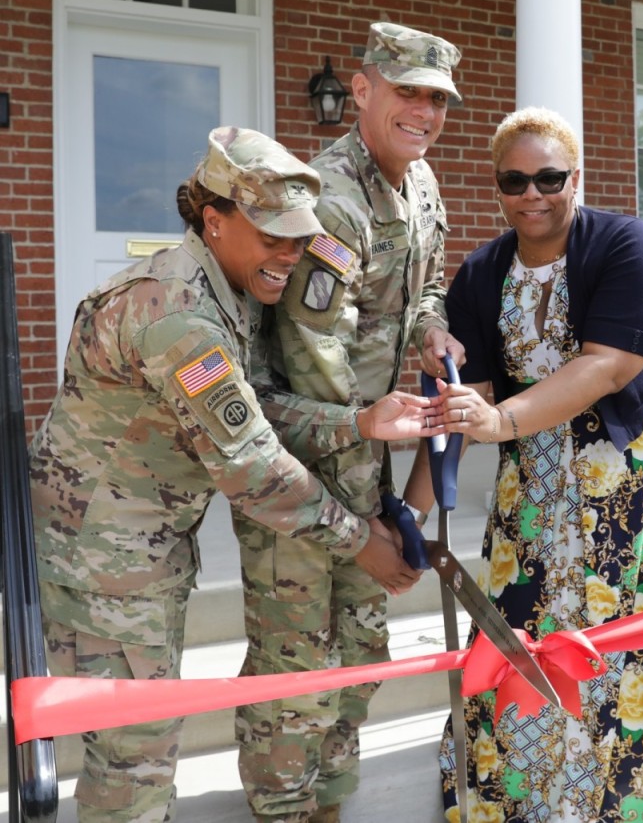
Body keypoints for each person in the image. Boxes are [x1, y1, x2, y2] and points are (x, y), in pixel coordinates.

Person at [27, 126, 443, 823]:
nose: (291, 254)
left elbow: (254, 408)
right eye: (271, 236)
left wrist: (359, 423)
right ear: (213, 220)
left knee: (143, 745)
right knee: (135, 755)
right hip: (104, 551)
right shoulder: (180, 316)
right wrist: (360, 538)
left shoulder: (228, 290)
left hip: (143, 538)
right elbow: (253, 469)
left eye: (298, 237)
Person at [432, 106, 643, 822]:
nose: (531, 194)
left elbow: (608, 366)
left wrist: (499, 418)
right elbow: (472, 391)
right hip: (533, 478)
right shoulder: (480, 271)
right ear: (497, 188)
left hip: (627, 474)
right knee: (521, 619)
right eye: (514, 180)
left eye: (548, 177)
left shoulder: (626, 243)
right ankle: (527, 791)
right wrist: (453, 414)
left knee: (623, 631)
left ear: (577, 177)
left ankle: (626, 795)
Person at [234, 21, 465, 822]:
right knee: (293, 662)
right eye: (408, 93)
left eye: (437, 99)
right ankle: (282, 806)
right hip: (305, 455)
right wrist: (374, 497)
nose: (425, 112)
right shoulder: (331, 201)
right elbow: (311, 358)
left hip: (370, 449)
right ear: (362, 90)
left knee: (361, 650)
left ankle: (328, 799)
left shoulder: (423, 183)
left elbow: (429, 284)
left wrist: (433, 326)